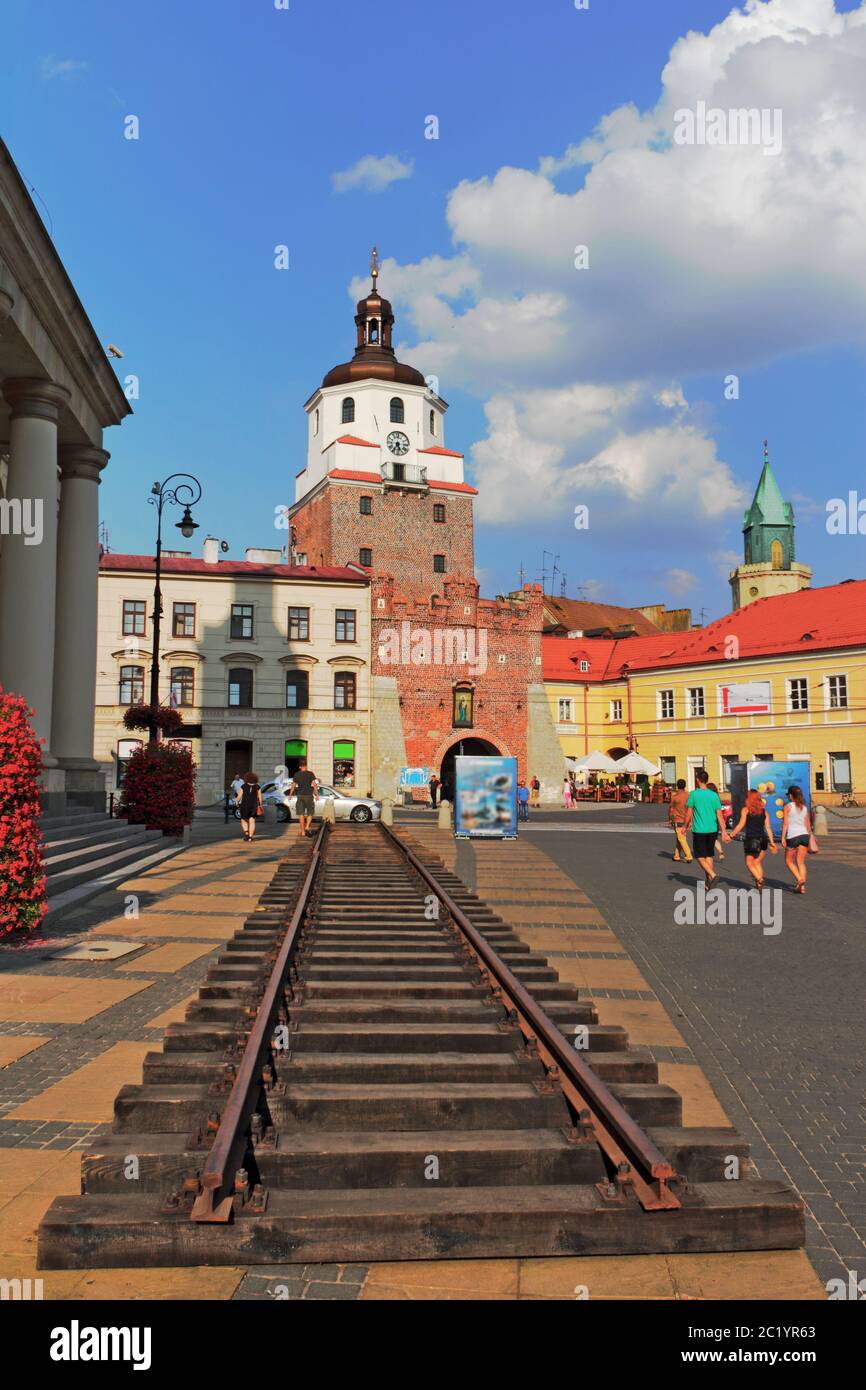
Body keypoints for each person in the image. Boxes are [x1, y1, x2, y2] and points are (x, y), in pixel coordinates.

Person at [725, 789, 777, 887]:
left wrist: (731, 835)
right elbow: (768, 827)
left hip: (751, 840)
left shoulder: (746, 810)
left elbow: (740, 825)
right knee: (757, 862)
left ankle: (759, 879)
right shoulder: (764, 811)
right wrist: (772, 842)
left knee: (749, 863)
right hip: (763, 840)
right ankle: (759, 884)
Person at [684, 769, 727, 887]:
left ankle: (712, 875)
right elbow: (719, 815)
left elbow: (689, 812)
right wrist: (724, 831)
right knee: (709, 855)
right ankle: (709, 881)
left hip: (699, 830)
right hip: (712, 829)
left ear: (698, 780)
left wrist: (685, 825)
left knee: (698, 856)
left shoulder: (694, 794)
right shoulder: (713, 795)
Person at [781, 784, 815, 894]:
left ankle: (800, 879)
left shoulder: (787, 807)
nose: (787, 796)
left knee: (788, 861)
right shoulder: (804, 807)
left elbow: (785, 824)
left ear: (791, 795)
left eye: (788, 795)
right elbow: (808, 824)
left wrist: (783, 838)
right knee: (801, 862)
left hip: (793, 836)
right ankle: (802, 887)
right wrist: (811, 836)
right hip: (804, 836)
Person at [289, 759, 319, 839]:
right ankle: (307, 827)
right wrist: (316, 795)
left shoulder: (297, 774)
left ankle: (302, 832)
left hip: (300, 796)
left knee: (301, 814)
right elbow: (315, 785)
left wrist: (290, 795)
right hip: (309, 795)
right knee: (310, 812)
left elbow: (293, 786)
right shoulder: (310, 774)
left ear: (299, 766)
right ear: (306, 766)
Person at [668, 778, 693, 863]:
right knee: (680, 837)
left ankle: (689, 856)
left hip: (677, 820)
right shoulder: (688, 796)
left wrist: (670, 819)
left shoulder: (675, 797)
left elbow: (671, 809)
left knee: (681, 838)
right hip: (686, 819)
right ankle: (677, 855)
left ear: (677, 786)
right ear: (685, 786)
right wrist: (691, 821)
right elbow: (691, 808)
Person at [236, 772, 263, 843]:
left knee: (243, 820)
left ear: (246, 779)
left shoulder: (243, 786)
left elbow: (239, 796)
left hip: (245, 805)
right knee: (252, 821)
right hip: (254, 805)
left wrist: (237, 802)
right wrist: (260, 805)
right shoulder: (258, 787)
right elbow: (260, 797)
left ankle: (246, 833)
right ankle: (250, 837)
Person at [707, 782, 726, 862]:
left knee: (708, 839)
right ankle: (720, 851)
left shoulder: (708, 798)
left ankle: (708, 854)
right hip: (716, 821)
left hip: (708, 821)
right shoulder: (716, 797)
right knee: (714, 839)